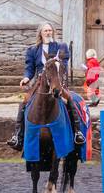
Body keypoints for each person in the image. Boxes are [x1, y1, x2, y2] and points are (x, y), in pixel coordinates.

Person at [7, 22, 85, 151]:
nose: (48, 33)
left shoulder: (61, 47)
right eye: (45, 31)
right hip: (39, 83)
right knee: (24, 101)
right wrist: (26, 78)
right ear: (41, 33)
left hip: (56, 80)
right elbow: (29, 68)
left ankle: (77, 132)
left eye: (50, 30)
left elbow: (64, 65)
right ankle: (17, 135)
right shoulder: (33, 50)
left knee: (69, 99)